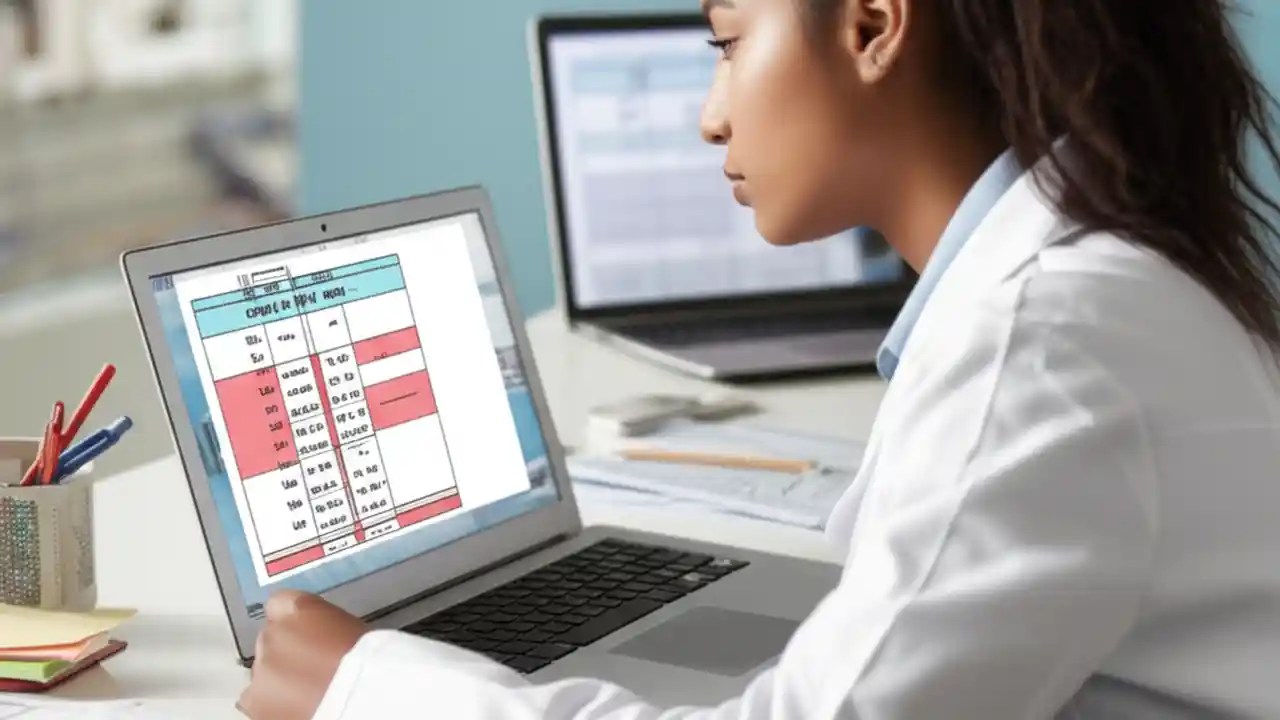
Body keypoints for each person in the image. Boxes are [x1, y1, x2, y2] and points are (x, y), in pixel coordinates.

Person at [238, 0, 1280, 717]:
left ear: (872, 25)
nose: (710, 115)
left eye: (727, 42)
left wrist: (368, 688)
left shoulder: (1047, 343)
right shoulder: (1094, 280)